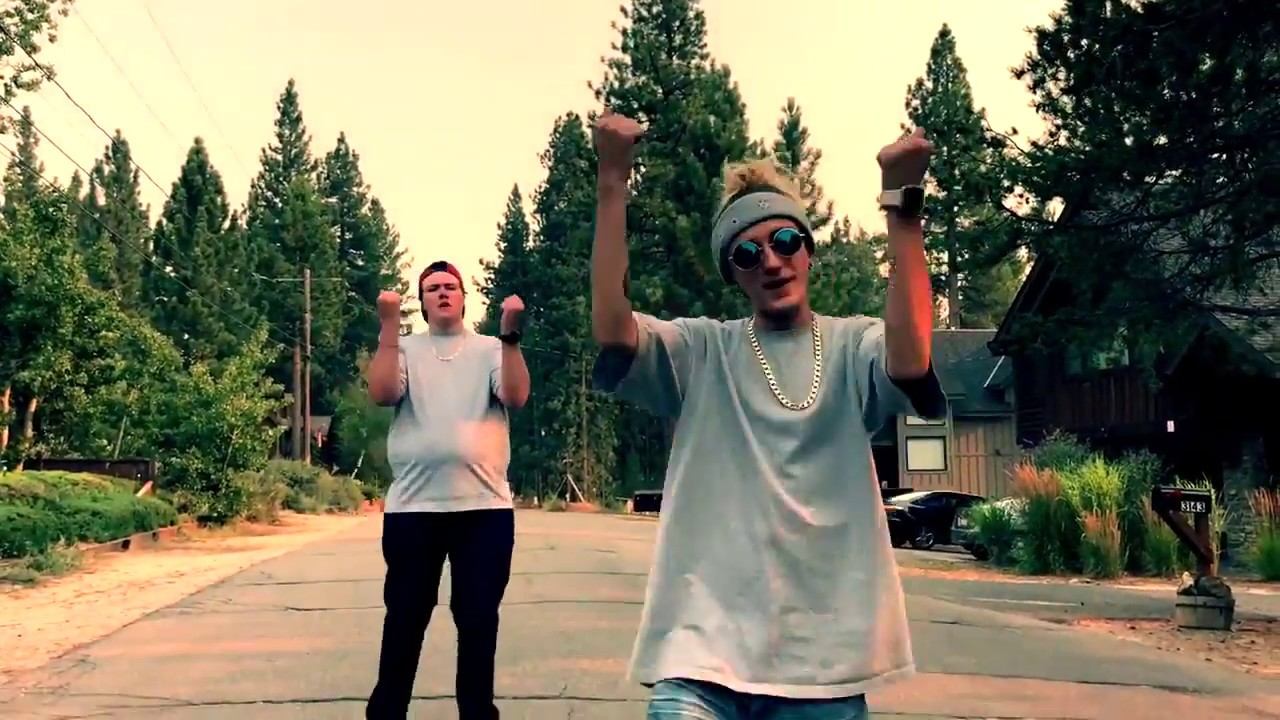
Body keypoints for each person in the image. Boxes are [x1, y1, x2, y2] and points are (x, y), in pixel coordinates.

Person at [589, 111, 948, 719]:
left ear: (808, 251)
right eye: (748, 254)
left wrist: (902, 206)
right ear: (733, 273)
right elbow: (613, 329)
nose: (772, 262)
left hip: (822, 668)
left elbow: (911, 357)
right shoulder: (701, 351)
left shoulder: (852, 345)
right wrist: (611, 180)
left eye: (785, 242)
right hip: (703, 657)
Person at [364, 259, 530, 720]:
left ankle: (476, 714)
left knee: (477, 620)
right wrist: (388, 326)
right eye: (432, 287)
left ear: (462, 298)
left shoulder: (491, 348)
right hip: (413, 509)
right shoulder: (403, 348)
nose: (442, 292)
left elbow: (516, 396)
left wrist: (511, 336)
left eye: (450, 287)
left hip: (484, 510)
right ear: (421, 302)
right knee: (405, 617)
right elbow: (382, 393)